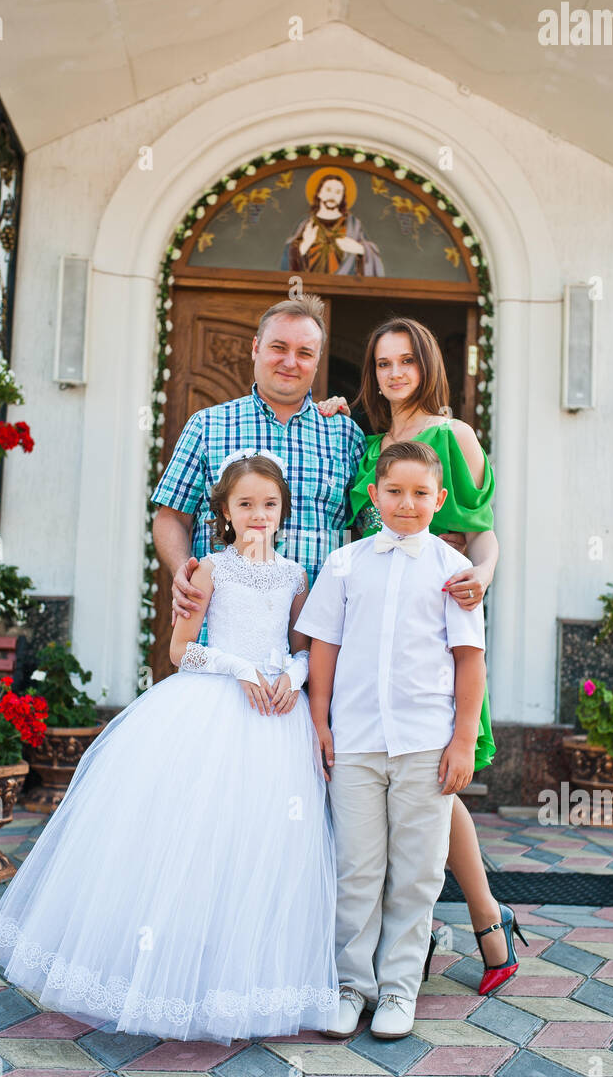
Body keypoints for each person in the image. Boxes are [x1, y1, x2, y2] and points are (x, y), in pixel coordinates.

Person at [0, 451, 339, 1043]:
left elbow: (303, 648)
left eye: (269, 505)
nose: (257, 515)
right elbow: (180, 653)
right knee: (191, 841)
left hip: (276, 724)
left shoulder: (297, 576)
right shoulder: (206, 570)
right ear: (223, 511)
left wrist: (292, 680)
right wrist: (241, 668)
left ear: (283, 512)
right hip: (211, 706)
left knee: (260, 849)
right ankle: (165, 977)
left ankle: (235, 981)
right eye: (245, 504)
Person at [319, 317, 525, 994]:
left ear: (427, 365)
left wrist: (485, 575)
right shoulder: (370, 443)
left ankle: (483, 922)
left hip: (437, 625)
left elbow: (482, 533)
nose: (395, 373)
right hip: (369, 628)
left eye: (406, 360)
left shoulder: (452, 434)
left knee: (438, 776)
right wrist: (329, 414)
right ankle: (457, 926)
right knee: (413, 782)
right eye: (382, 363)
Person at [296, 441, 520, 1041]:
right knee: (357, 867)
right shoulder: (344, 565)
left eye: (421, 493)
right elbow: (324, 649)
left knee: (417, 872)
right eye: (394, 491)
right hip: (358, 742)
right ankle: (350, 985)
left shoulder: (454, 573)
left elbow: (469, 663)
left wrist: (464, 742)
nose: (406, 503)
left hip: (425, 742)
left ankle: (398, 989)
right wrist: (320, 722)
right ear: (373, 495)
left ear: (440, 500)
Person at [152, 293, 365, 638]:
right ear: (255, 348)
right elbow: (171, 516)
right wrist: (182, 569)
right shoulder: (208, 426)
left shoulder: (346, 436)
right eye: (279, 347)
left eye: (305, 353)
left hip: (318, 638)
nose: (290, 362)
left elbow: (366, 527)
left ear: (317, 360)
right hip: (223, 636)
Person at [280, 169, 384, 277]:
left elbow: (370, 255)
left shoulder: (353, 224)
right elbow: (287, 263)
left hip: (344, 287)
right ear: (319, 193)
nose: (333, 196)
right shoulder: (307, 223)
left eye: (338, 192)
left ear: (342, 197)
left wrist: (360, 249)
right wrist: (305, 245)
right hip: (309, 287)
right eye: (328, 190)